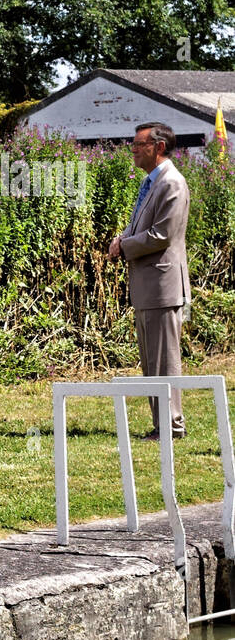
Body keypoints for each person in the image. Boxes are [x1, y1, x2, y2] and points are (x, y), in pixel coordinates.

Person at [109, 122, 191, 439]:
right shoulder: (152, 182)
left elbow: (161, 235)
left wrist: (124, 246)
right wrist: (122, 238)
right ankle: (162, 425)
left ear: (158, 147)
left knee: (164, 362)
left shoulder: (171, 183)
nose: (132, 149)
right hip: (149, 286)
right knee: (151, 362)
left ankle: (171, 426)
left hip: (162, 286)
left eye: (138, 144)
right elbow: (141, 226)